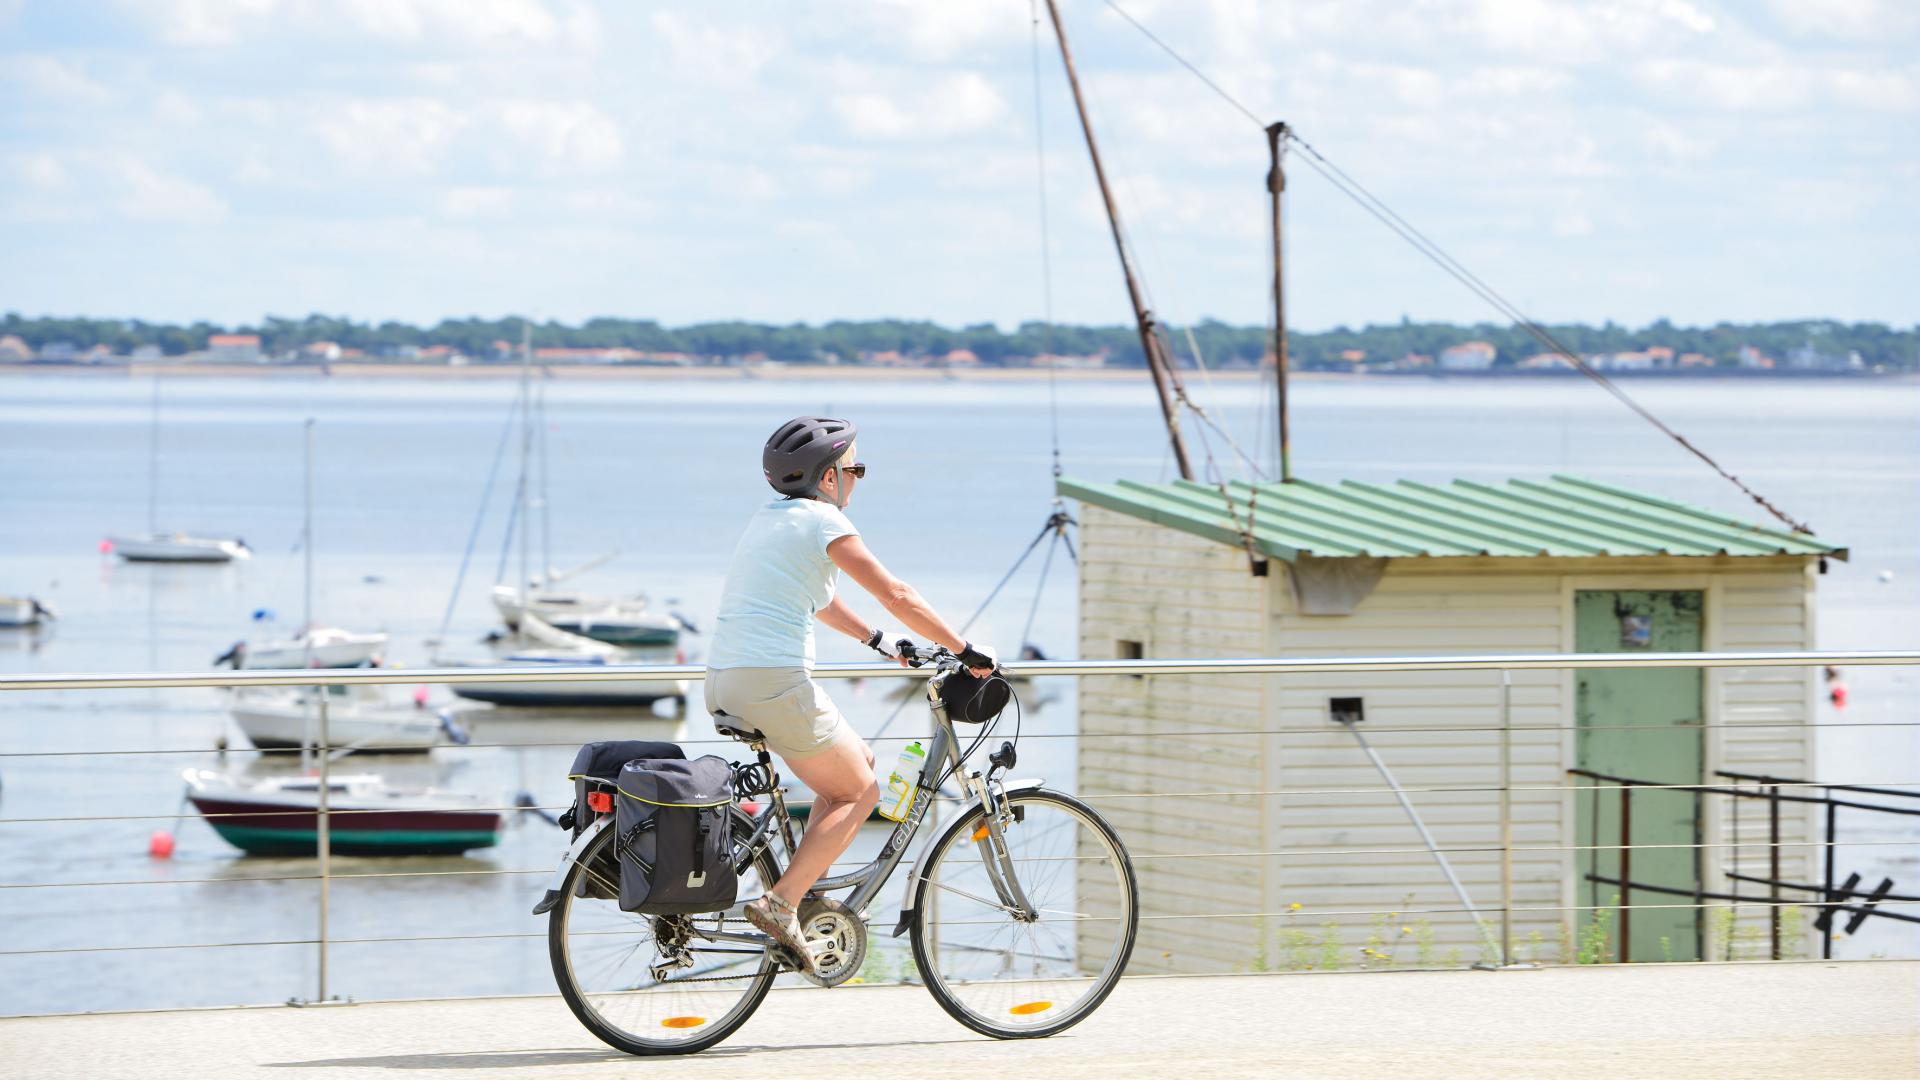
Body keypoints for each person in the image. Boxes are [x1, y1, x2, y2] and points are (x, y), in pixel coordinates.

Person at [704, 416, 995, 974]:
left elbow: (816, 599)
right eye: (855, 468)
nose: (858, 478)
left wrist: (879, 641)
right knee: (861, 795)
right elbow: (898, 593)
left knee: (856, 763)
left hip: (726, 677)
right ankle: (779, 902)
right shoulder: (825, 521)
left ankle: (803, 892)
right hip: (773, 681)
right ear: (829, 476)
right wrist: (965, 649)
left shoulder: (773, 520)